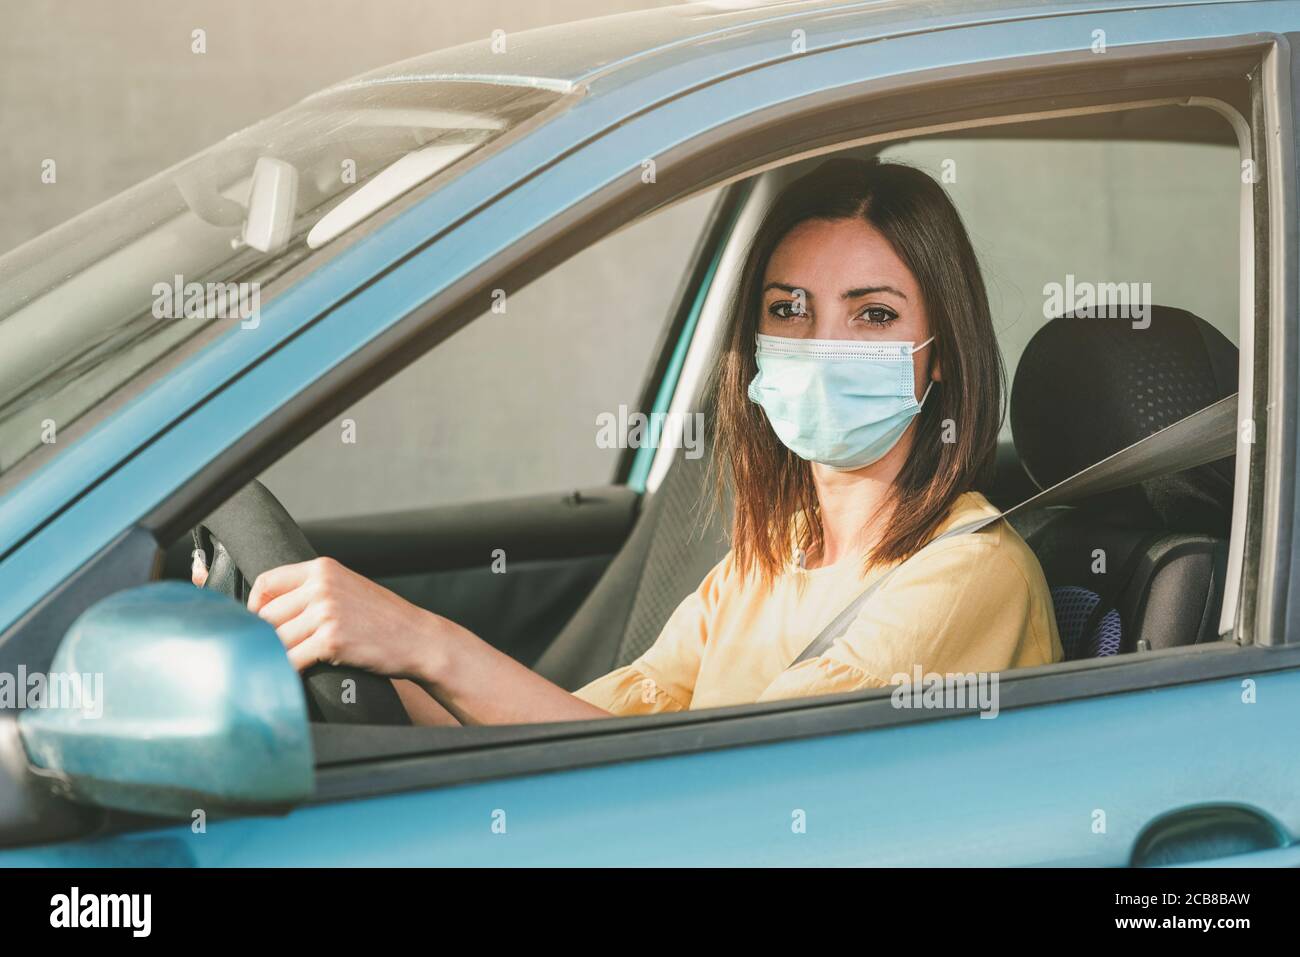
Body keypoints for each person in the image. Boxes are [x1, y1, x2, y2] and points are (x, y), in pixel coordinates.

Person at [195, 157, 1062, 725]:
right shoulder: (771, 557)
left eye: (872, 315)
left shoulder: (967, 575)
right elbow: (582, 734)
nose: (821, 344)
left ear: (939, 354)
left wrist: (425, 639)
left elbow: (729, 787)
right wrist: (359, 648)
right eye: (787, 309)